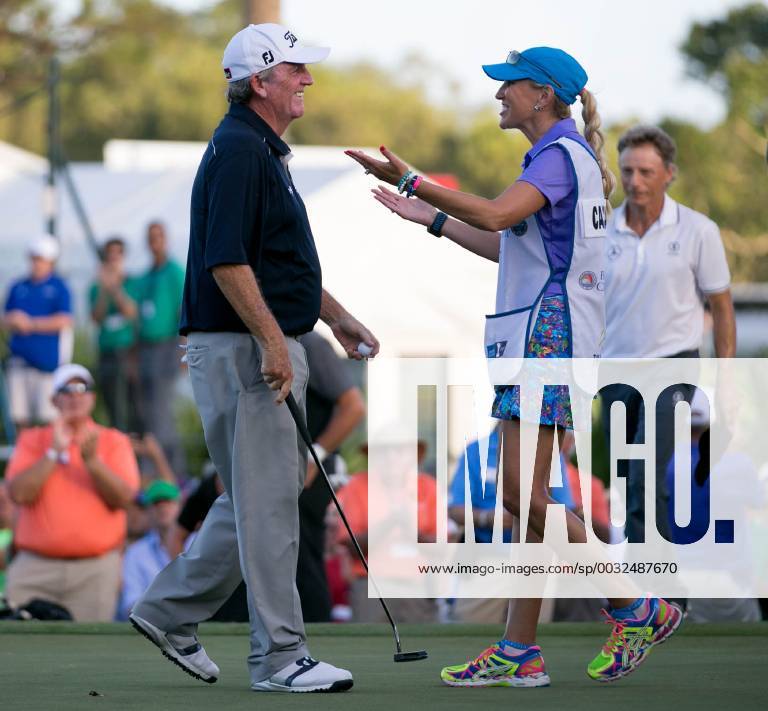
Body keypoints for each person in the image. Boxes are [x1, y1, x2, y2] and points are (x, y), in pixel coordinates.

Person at [347, 46, 682, 687]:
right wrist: (432, 218)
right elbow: (510, 246)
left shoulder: (557, 156)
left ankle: (636, 607)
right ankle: (520, 649)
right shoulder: (562, 157)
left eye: (511, 85)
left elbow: (498, 215)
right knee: (530, 502)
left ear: (543, 95)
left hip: (545, 338)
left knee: (519, 497)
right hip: (552, 337)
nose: (500, 94)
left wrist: (415, 182)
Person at [129, 23, 378, 694]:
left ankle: (166, 611)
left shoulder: (256, 147)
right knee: (267, 507)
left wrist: (335, 315)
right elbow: (227, 261)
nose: (308, 79)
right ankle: (279, 657)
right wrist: (273, 341)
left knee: (251, 501)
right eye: (296, 69)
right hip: (245, 349)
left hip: (243, 343)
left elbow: (276, 264)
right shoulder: (243, 150)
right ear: (261, 81)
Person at [600, 125, 736, 544]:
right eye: (627, 171)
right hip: (614, 369)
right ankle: (656, 574)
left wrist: (726, 378)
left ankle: (651, 576)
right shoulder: (601, 231)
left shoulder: (698, 231)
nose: (634, 181)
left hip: (673, 364)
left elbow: (722, 307)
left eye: (646, 171)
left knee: (645, 471)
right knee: (626, 477)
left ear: (669, 174)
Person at [4, 364, 139, 621]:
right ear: (54, 399)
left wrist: (93, 463)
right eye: (67, 390)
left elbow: (125, 499)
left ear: (92, 397)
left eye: (82, 388)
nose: (75, 396)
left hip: (94, 570)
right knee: (14, 637)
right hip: (34, 567)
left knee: (88, 644)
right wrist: (53, 452)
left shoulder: (114, 440)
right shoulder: (32, 439)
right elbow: (18, 494)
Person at [297, 330, 365, 622]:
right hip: (283, 471)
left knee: (304, 563)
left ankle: (315, 636)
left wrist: (315, 456)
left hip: (308, 474)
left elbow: (354, 407)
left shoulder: (310, 343)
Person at [333, 437, 439, 623]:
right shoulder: (357, 485)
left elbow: (441, 546)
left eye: (399, 450)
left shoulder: (428, 486)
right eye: (383, 451)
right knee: (370, 639)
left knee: (422, 638)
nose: (391, 457)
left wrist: (411, 532)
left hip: (418, 584)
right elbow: (351, 545)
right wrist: (390, 522)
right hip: (371, 584)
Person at [2, 234, 73, 428]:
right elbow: (5, 317)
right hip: (18, 362)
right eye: (34, 258)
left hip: (47, 365)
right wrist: (12, 320)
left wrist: (31, 324)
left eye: (40, 259)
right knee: (19, 416)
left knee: (47, 417)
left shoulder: (59, 287)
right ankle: (23, 448)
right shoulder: (18, 286)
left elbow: (65, 319)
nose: (36, 264)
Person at [136, 221, 186, 473]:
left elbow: (184, 310)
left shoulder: (175, 272)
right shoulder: (146, 276)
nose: (154, 242)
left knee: (162, 412)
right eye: (150, 237)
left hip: (167, 347)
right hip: (146, 349)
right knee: (149, 412)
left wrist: (183, 349)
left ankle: (173, 471)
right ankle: (156, 469)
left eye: (158, 236)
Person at [89, 237, 142, 432]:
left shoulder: (133, 282)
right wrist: (104, 290)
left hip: (127, 352)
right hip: (106, 352)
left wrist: (115, 288)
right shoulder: (96, 288)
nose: (112, 259)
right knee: (113, 407)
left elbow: (131, 312)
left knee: (131, 407)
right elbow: (96, 318)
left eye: (116, 254)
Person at [117, 480, 183, 621]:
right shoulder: (135, 552)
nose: (163, 508)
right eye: (156, 504)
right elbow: (130, 603)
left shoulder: (197, 542)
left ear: (179, 506)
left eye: (168, 502)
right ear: (148, 511)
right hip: (151, 624)